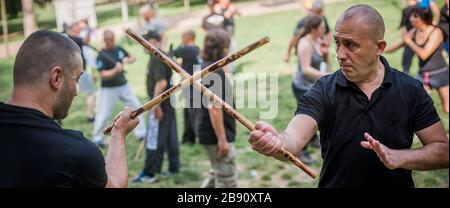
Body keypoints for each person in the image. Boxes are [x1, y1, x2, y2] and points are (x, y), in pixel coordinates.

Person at [248, 5, 449, 188]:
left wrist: (400, 157)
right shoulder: (324, 89)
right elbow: (292, 140)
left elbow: (442, 152)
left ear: (379, 47)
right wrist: (277, 143)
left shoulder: (410, 89)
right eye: (337, 42)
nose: (340, 54)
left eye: (350, 45)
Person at [0, 30, 139, 188]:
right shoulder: (74, 153)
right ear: (56, 77)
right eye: (77, 78)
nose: (77, 91)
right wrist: (118, 135)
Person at [132, 31, 180, 183]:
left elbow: (161, 83)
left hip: (160, 102)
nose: (142, 46)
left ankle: (149, 173)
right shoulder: (161, 55)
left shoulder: (156, 58)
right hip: (167, 101)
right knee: (170, 134)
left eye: (143, 42)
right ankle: (174, 167)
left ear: (152, 41)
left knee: (153, 138)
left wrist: (155, 105)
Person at [92, 30, 147, 147]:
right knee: (103, 114)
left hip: (123, 85)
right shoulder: (101, 55)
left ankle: (141, 133)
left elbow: (133, 58)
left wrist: (127, 60)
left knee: (136, 107)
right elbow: (102, 74)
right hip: (108, 88)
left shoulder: (119, 49)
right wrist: (115, 71)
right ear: (105, 40)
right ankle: (98, 138)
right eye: (109, 40)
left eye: (113, 40)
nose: (111, 42)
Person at [198, 30, 237, 188]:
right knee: (227, 179)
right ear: (224, 48)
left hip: (210, 129)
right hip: (215, 134)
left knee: (218, 171)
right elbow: (214, 108)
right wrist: (222, 139)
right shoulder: (214, 72)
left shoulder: (205, 66)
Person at [292, 15, 329, 164]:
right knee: (306, 118)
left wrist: (325, 55)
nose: (325, 30)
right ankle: (301, 150)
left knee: (317, 116)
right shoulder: (304, 44)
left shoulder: (318, 40)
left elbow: (323, 63)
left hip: (314, 85)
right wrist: (325, 76)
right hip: (302, 86)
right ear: (313, 29)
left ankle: (313, 139)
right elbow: (306, 69)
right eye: (322, 27)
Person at [402, 7, 449, 113]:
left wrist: (409, 41)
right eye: (411, 16)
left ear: (423, 19)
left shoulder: (436, 32)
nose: (411, 19)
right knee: (413, 104)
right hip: (422, 75)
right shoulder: (414, 32)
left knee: (447, 108)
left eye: (415, 17)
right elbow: (401, 44)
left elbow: (424, 54)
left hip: (440, 74)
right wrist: (381, 49)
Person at [169, 30, 202, 144]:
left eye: (183, 37)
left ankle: (198, 137)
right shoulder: (194, 50)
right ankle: (189, 138)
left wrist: (176, 48)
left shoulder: (189, 49)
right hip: (190, 84)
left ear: (188, 38)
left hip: (193, 85)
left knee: (193, 112)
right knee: (188, 112)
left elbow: (172, 53)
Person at [385, 0, 418, 74]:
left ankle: (406, 75)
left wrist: (406, 37)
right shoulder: (421, 8)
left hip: (411, 38)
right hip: (415, 38)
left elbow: (403, 27)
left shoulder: (407, 10)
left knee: (406, 61)